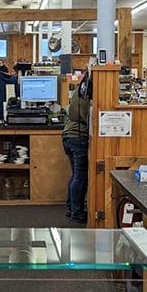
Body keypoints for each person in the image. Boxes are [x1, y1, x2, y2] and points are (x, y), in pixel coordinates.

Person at [62, 70, 91, 223]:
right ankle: (77, 212)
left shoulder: (79, 90)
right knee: (80, 176)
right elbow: (86, 117)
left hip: (68, 135)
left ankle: (71, 208)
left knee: (75, 175)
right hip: (77, 137)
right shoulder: (86, 94)